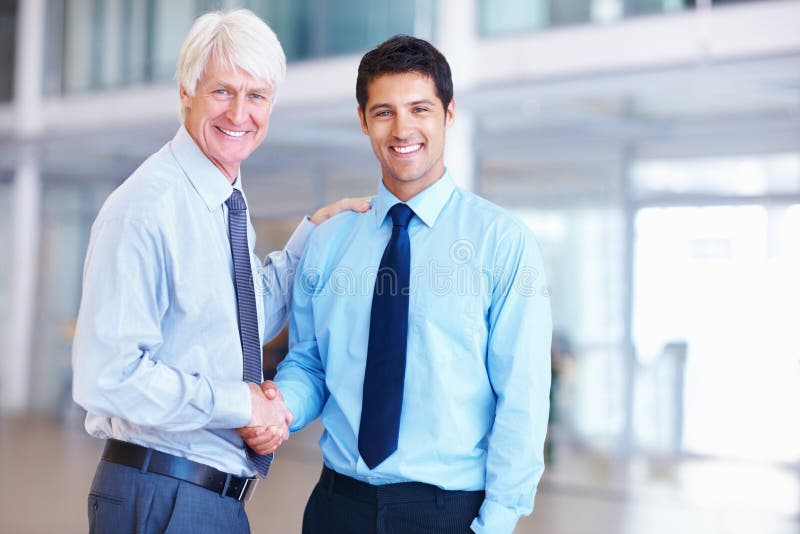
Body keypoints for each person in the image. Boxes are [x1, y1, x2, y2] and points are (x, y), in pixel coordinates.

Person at [71, 9, 368, 533]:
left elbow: (242, 315)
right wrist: (241, 404)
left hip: (206, 499)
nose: (240, 113)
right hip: (164, 493)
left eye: (256, 96)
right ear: (186, 91)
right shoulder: (147, 207)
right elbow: (107, 376)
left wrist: (310, 236)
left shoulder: (222, 199)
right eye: (222, 92)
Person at [241, 35, 552, 533]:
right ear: (363, 121)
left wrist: (495, 523)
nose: (403, 128)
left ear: (449, 114)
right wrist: (280, 410)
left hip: (448, 511)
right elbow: (309, 363)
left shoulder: (502, 244)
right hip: (336, 506)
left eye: (419, 108)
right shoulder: (329, 243)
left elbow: (523, 396)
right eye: (384, 112)